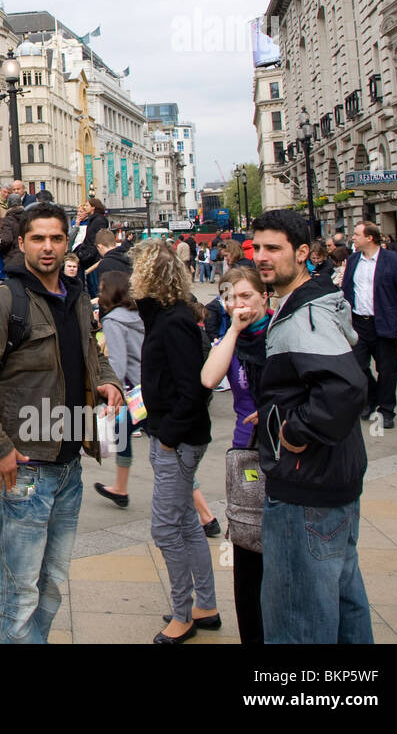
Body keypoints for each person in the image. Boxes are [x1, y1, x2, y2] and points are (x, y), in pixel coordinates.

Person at [0, 202, 123, 643]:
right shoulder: (4, 302)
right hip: (24, 467)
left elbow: (92, 350)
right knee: (18, 591)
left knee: (50, 586)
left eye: (56, 238)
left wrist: (106, 381)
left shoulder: (77, 297)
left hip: (69, 464)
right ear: (23, 243)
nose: (48, 247)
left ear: (68, 242)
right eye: (38, 239)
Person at [251, 208, 372, 643]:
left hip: (307, 489)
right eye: (257, 248)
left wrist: (294, 431)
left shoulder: (306, 313)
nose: (262, 257)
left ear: (302, 253)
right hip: (332, 481)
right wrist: (273, 411)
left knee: (298, 617)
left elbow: (344, 389)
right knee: (342, 604)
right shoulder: (316, 300)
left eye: (273, 249)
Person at [130, 239, 217, 644]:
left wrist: (167, 437)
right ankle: (206, 605)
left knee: (166, 529)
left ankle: (183, 614)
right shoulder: (165, 316)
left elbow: (193, 388)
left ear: (148, 276)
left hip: (177, 440)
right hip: (173, 435)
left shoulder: (176, 321)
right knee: (184, 521)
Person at [199, 264, 270, 644]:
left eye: (246, 296)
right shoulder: (233, 338)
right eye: (230, 297)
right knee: (247, 552)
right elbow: (210, 378)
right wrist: (234, 330)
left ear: (264, 296)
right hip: (245, 454)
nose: (238, 304)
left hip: (285, 453)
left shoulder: (279, 331)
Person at [341, 221, 397, 429]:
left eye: (356, 234)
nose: (353, 237)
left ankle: (386, 409)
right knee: (357, 366)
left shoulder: (393, 260)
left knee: (387, 369)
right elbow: (347, 290)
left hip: (384, 322)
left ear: (369, 238)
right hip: (359, 323)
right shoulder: (353, 260)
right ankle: (371, 397)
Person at [94, 270, 144, 509]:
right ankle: (120, 488)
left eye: (102, 288)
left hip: (132, 393)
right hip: (146, 388)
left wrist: (111, 392)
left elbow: (118, 363)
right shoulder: (138, 315)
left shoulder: (113, 321)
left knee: (166, 453)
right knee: (123, 435)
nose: (98, 292)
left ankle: (204, 514)